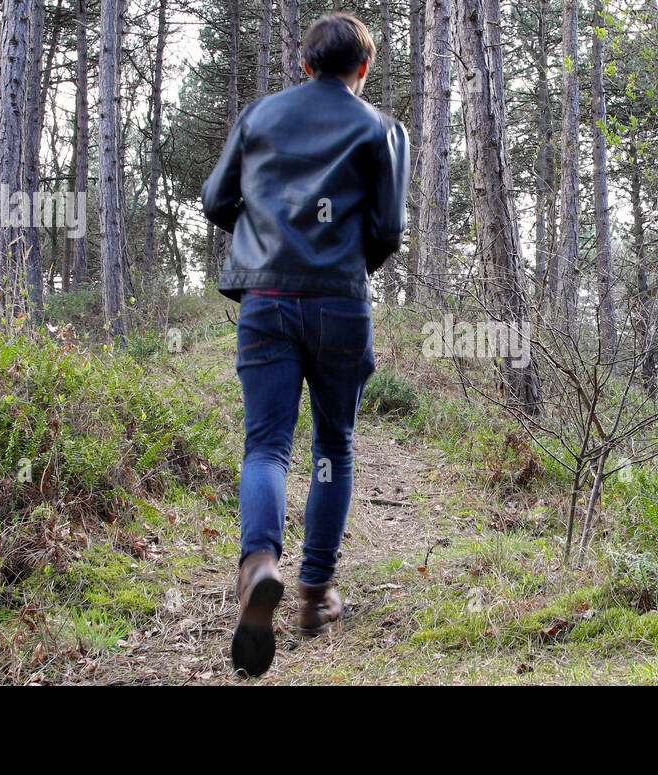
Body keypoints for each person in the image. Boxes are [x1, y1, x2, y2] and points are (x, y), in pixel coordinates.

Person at [200, 11, 410, 677]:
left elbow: (214, 199)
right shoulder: (381, 128)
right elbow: (387, 229)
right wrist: (338, 260)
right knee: (332, 447)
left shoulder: (259, 116)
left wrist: (266, 231)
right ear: (363, 69)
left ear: (306, 64)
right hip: (338, 306)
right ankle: (315, 595)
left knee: (265, 445)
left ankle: (259, 563)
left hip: (265, 301)